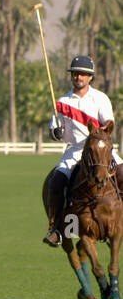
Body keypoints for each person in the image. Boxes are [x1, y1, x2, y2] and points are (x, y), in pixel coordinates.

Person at [43, 54, 122, 245]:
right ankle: (56, 228)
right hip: (74, 151)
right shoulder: (62, 102)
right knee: (56, 182)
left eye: (83, 74)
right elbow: (53, 131)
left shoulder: (100, 98)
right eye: (76, 74)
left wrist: (99, 135)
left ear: (90, 77)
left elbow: (108, 122)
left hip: (100, 151)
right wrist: (56, 132)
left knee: (122, 175)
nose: (79, 77)